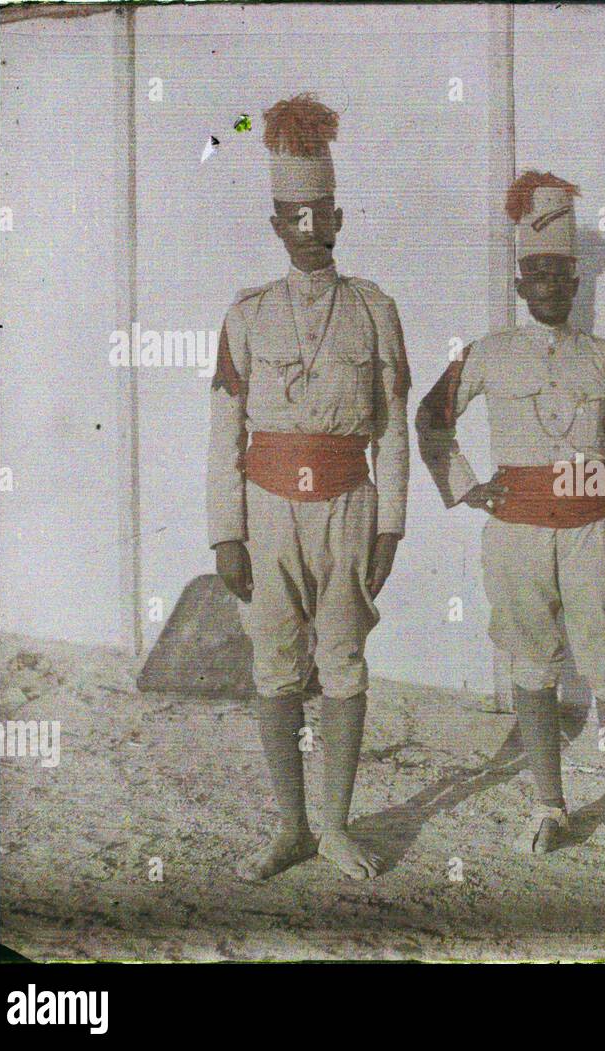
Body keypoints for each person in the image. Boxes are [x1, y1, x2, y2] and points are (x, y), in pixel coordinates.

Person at [416, 171, 605, 859]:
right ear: (521, 284)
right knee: (533, 667)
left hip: (591, 534)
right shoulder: (487, 353)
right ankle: (549, 805)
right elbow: (431, 418)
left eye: (559, 274)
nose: (548, 285)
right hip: (516, 536)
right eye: (536, 274)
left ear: (576, 283)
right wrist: (466, 487)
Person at [207, 94, 410, 881]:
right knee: (276, 666)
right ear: (276, 224)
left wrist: (390, 527)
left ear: (338, 218)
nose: (309, 229)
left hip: (348, 507)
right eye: (294, 216)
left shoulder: (375, 310)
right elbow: (224, 432)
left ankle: (335, 827)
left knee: (345, 661)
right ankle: (290, 826)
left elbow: (392, 428)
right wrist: (226, 532)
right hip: (268, 512)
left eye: (320, 214)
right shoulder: (246, 315)